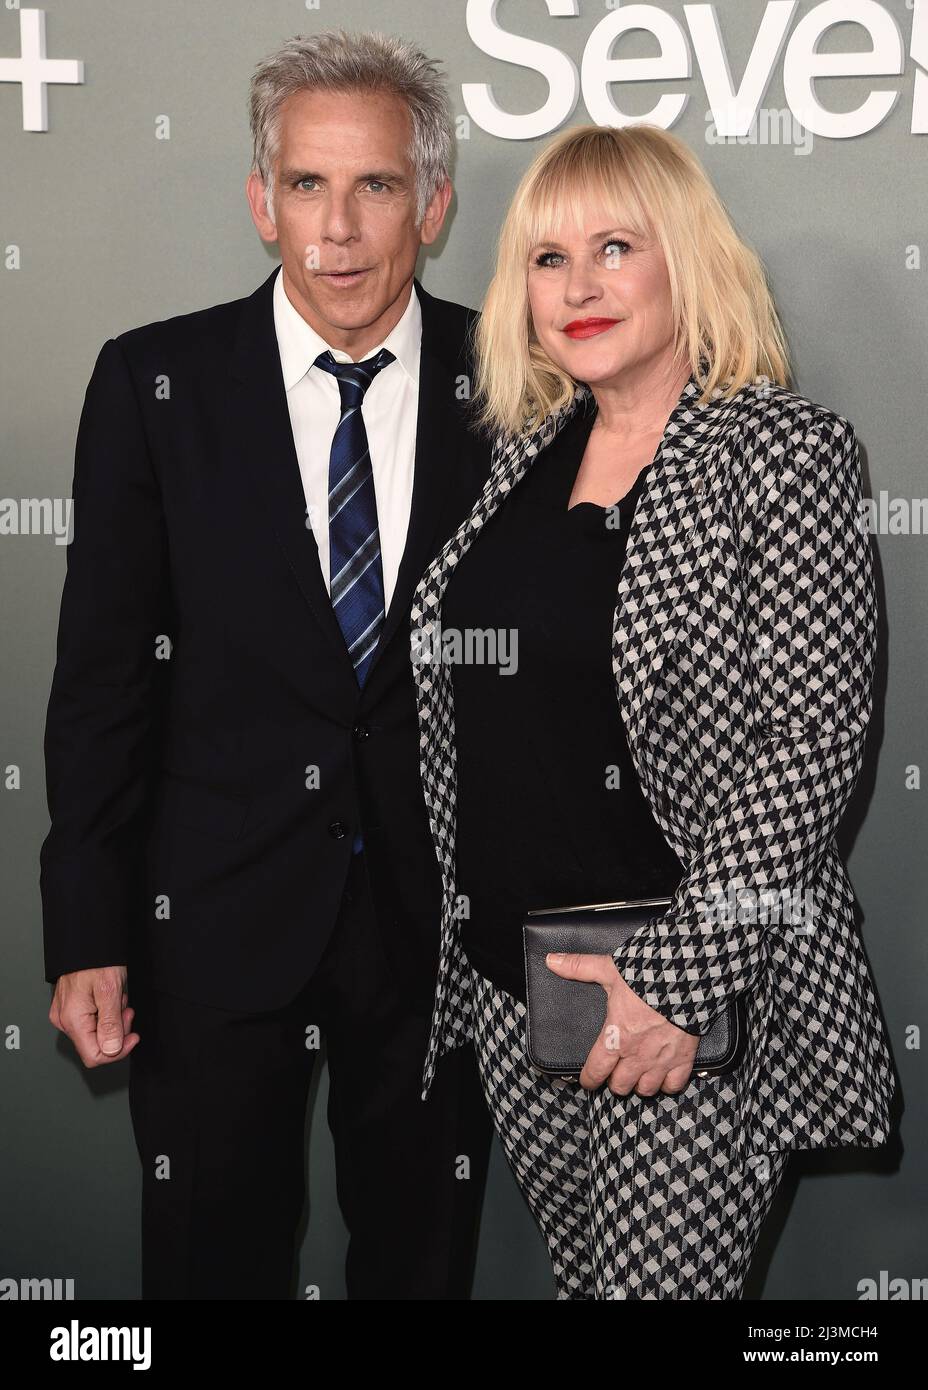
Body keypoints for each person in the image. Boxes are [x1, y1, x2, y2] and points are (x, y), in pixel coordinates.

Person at [40, 29, 494, 1300]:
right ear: (260, 201)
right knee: (207, 1271)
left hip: (438, 942)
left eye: (378, 187)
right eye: (307, 185)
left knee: (421, 1272)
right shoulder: (154, 383)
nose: (339, 229)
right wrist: (87, 930)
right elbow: (102, 685)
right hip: (211, 930)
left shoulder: (515, 385)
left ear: (435, 203)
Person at [409, 122, 897, 1300]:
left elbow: (812, 740)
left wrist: (678, 981)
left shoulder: (779, 450)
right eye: (545, 257)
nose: (576, 287)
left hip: (680, 1000)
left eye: (614, 247)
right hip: (513, 985)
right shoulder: (521, 460)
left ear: (684, 259)